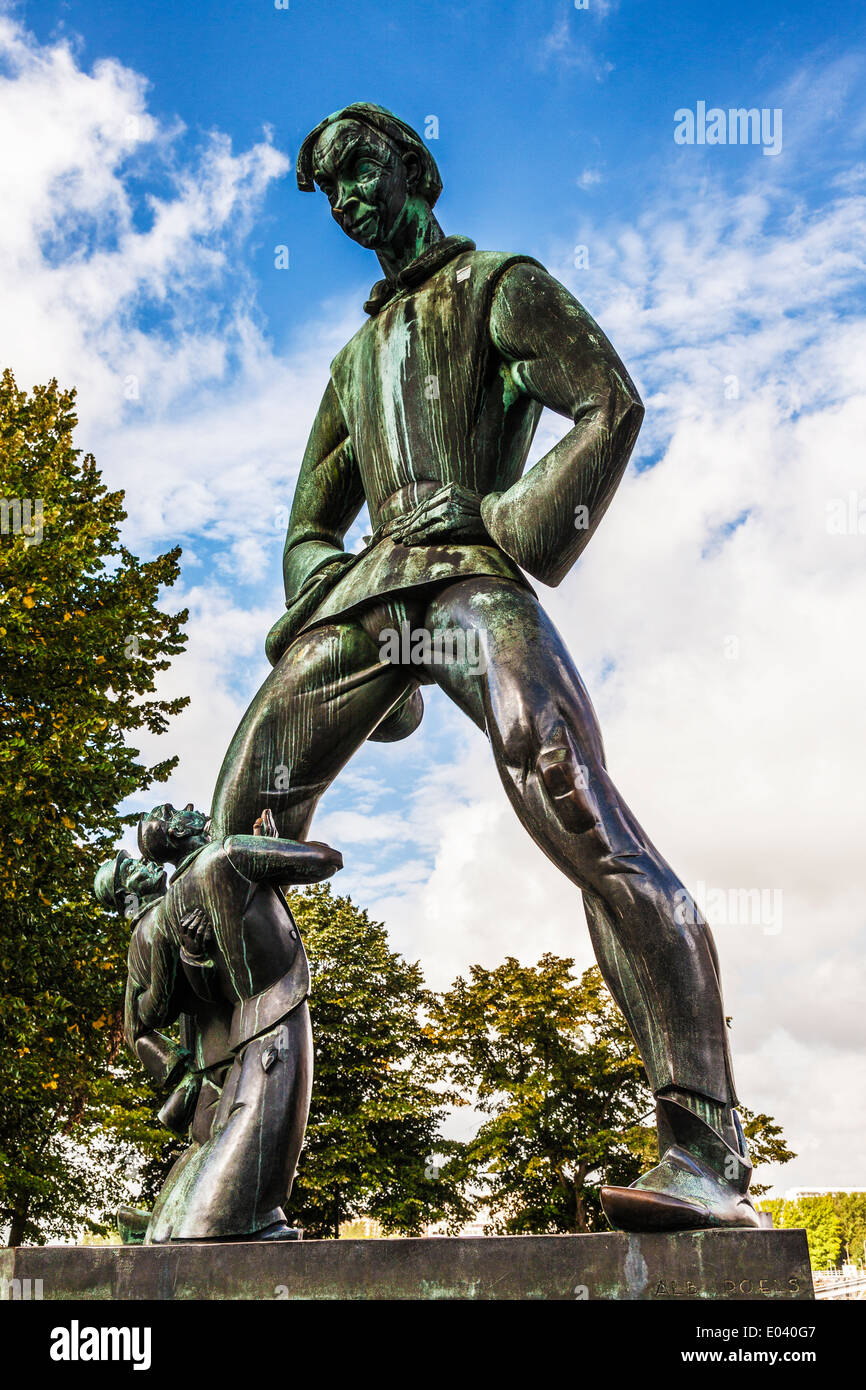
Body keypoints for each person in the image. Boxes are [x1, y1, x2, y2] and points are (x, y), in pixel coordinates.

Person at [209, 104, 761, 1232]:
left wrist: (510, 521)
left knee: (562, 786)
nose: (347, 198)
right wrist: (329, 595)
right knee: (230, 833)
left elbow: (607, 400)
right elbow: (308, 528)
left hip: (469, 576)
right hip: (371, 597)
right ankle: (237, 1177)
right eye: (327, 190)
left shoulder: (498, 284)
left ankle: (703, 1147)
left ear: (412, 165)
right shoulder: (352, 359)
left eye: (360, 169)